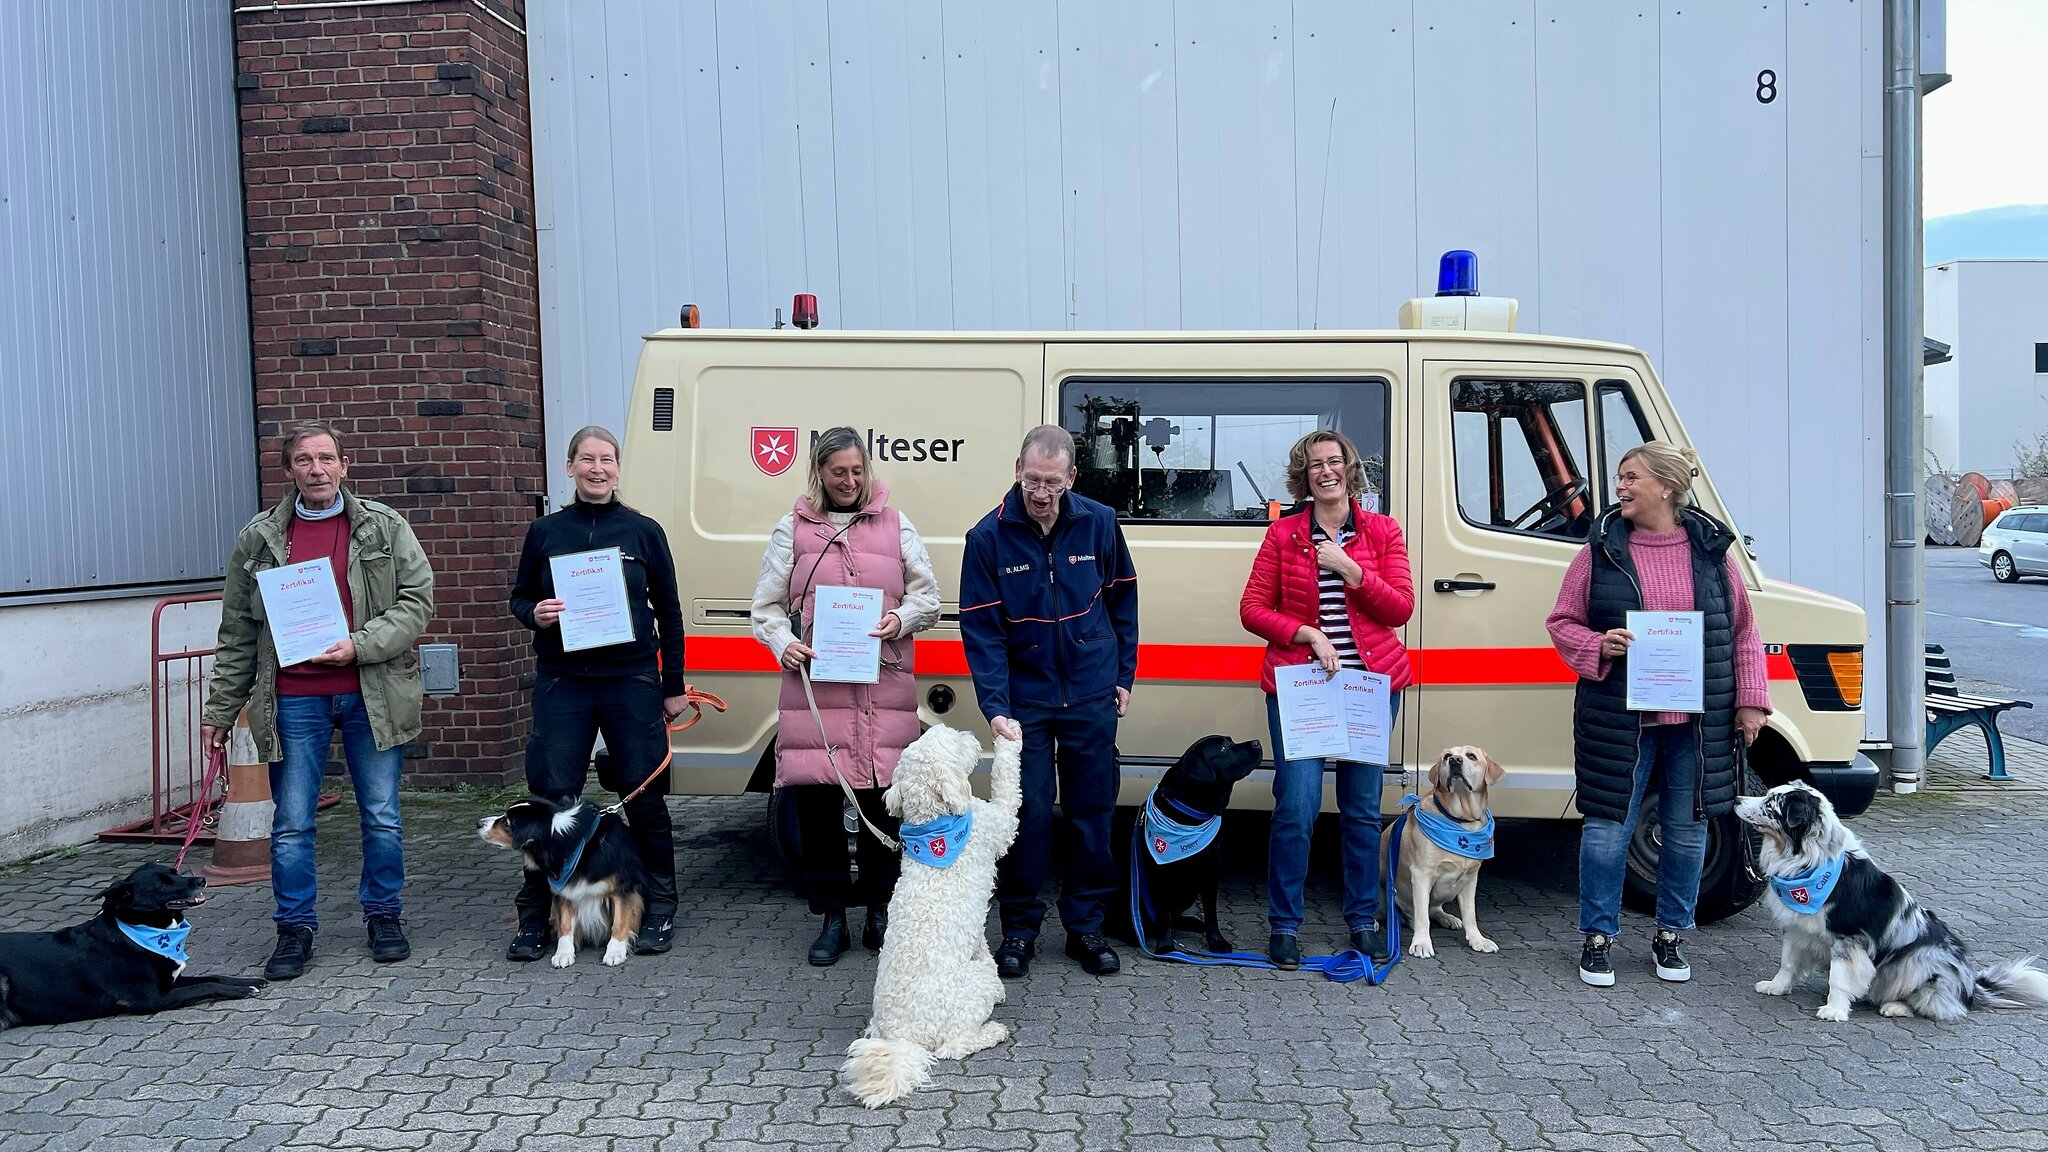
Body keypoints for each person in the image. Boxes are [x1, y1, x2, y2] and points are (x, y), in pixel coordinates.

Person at [202, 421, 436, 981]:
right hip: (293, 700)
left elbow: (417, 602)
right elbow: (236, 631)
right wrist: (219, 712)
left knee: (381, 817)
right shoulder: (258, 539)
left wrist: (358, 646)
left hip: (369, 693)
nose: (316, 469)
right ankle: (294, 928)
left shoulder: (382, 527)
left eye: (326, 458)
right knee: (291, 823)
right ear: (289, 471)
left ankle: (384, 916)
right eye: (304, 460)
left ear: (344, 465)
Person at [1546, 440, 1771, 988]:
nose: (1619, 487)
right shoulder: (1599, 552)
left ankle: (1671, 936)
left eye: (1630, 478)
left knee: (1689, 829)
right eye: (1620, 478)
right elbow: (1561, 622)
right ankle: (1597, 938)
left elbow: (1743, 630)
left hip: (1699, 722)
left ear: (1666, 488)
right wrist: (1598, 645)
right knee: (1606, 828)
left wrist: (1751, 700)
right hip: (1620, 721)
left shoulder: (1712, 554)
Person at [751, 426, 942, 966]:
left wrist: (900, 618)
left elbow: (929, 598)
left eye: (858, 471)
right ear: (819, 472)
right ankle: (832, 918)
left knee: (886, 804)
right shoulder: (792, 529)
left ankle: (879, 912)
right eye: (839, 472)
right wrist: (783, 643)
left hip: (883, 690)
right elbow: (764, 608)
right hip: (816, 693)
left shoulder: (897, 525)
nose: (850, 481)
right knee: (817, 809)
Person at [958, 425, 1139, 979]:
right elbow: (982, 632)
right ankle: (1018, 931)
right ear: (1017, 469)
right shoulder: (987, 537)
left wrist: (1124, 674)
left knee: (1091, 816)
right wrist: (996, 707)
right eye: (1033, 480)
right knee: (1028, 817)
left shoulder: (1100, 523)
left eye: (1052, 483)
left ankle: (1086, 927)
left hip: (1090, 692)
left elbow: (1123, 600)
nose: (1041, 492)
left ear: (1071, 478)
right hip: (1025, 702)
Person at [507, 426, 690, 960]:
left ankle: (657, 906)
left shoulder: (643, 532)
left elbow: (671, 613)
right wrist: (534, 614)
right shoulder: (545, 532)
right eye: (586, 459)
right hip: (563, 681)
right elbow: (521, 597)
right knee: (550, 799)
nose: (597, 468)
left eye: (606, 460)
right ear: (570, 467)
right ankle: (537, 915)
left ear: (617, 468)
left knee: (643, 797)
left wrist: (672, 684)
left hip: (630, 680)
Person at [1238, 429, 1413, 970]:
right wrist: (1307, 635)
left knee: (1361, 811)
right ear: (1304, 475)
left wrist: (1352, 570)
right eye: (1315, 465)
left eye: (1334, 462)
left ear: (1349, 469)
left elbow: (1400, 609)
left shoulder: (1382, 531)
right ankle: (1284, 926)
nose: (1326, 471)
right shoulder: (1283, 535)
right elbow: (1252, 608)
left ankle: (1362, 920)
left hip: (1368, 686)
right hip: (1302, 687)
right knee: (1297, 806)